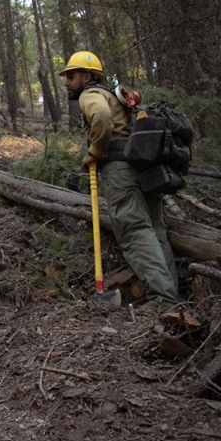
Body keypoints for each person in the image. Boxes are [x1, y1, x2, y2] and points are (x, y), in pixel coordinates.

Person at [59, 51, 180, 311]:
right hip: (144, 168)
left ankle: (165, 302)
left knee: (134, 231)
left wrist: (94, 153)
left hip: (120, 171)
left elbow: (100, 118)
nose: (67, 82)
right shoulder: (117, 96)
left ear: (87, 76)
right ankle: (172, 298)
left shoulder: (91, 95)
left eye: (71, 76)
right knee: (156, 231)